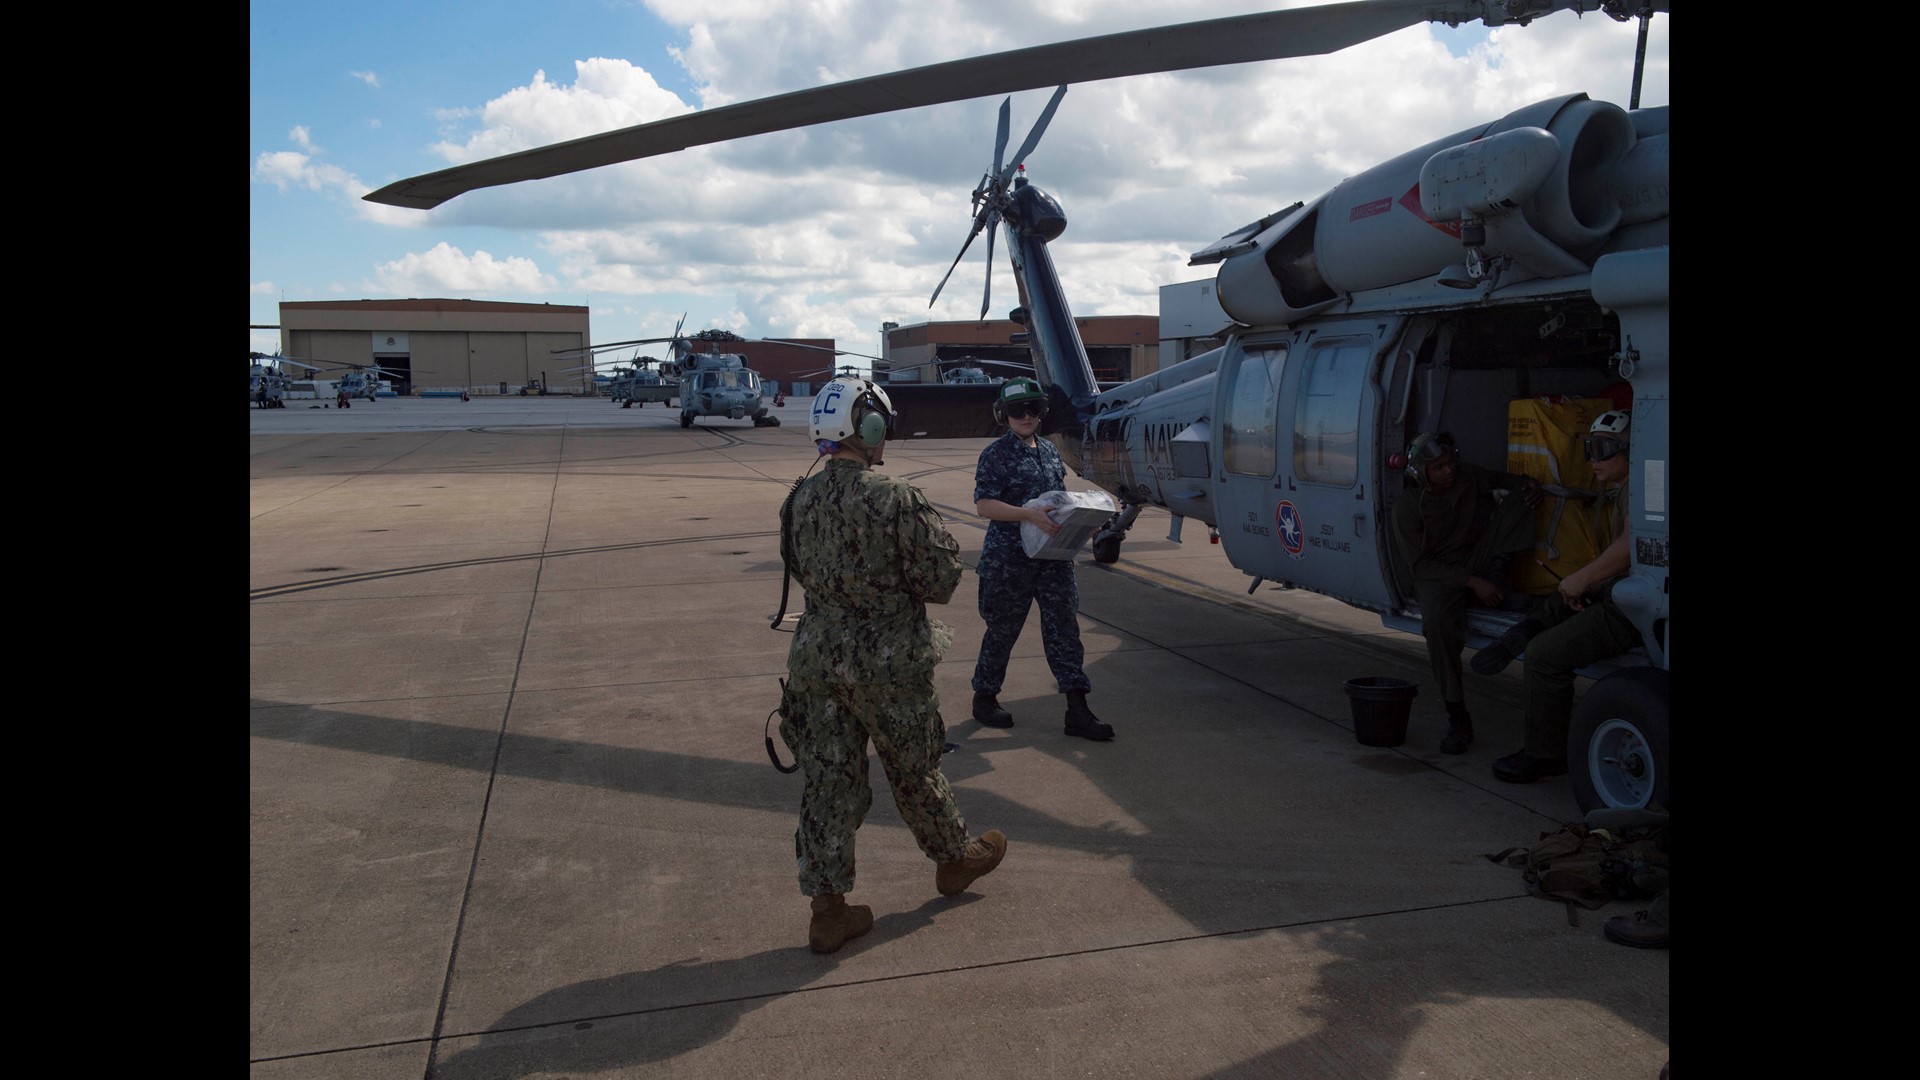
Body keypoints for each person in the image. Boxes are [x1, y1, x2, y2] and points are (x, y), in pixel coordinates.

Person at [778, 376, 1007, 954]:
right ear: (869, 427)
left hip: (816, 663)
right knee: (914, 768)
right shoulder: (896, 497)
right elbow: (940, 580)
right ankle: (953, 859)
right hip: (889, 666)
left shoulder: (798, 498)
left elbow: (801, 570)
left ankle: (828, 910)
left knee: (829, 780)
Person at [1474, 410, 1641, 783]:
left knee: (1544, 656)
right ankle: (1521, 633)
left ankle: (1544, 755)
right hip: (1625, 591)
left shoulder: (1642, 488)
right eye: (1590, 448)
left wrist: (1585, 577)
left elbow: (1632, 545)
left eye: (1604, 449)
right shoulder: (1629, 487)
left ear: (1632, 450)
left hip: (1632, 607)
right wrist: (1583, 583)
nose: (1594, 459)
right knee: (1562, 593)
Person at [969, 378, 1113, 740]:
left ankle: (1077, 710)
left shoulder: (1049, 451)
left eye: (1033, 408)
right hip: (1009, 560)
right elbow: (985, 505)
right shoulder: (996, 455)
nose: (1026, 416)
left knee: (1064, 630)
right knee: (1002, 631)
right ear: (1003, 415)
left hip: (1053, 557)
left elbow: (1058, 500)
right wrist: (1027, 514)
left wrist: (1083, 521)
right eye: (1017, 410)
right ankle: (985, 696)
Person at [1390, 432, 1540, 754]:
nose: (1449, 471)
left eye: (1449, 463)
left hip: (1475, 558)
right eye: (1439, 467)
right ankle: (1458, 716)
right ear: (1420, 473)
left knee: (1520, 499)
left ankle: (1497, 583)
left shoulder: (1467, 476)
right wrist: (1472, 582)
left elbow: (1501, 480)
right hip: (1438, 575)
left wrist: (1526, 485)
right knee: (1437, 626)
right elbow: (1421, 566)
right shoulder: (1406, 509)